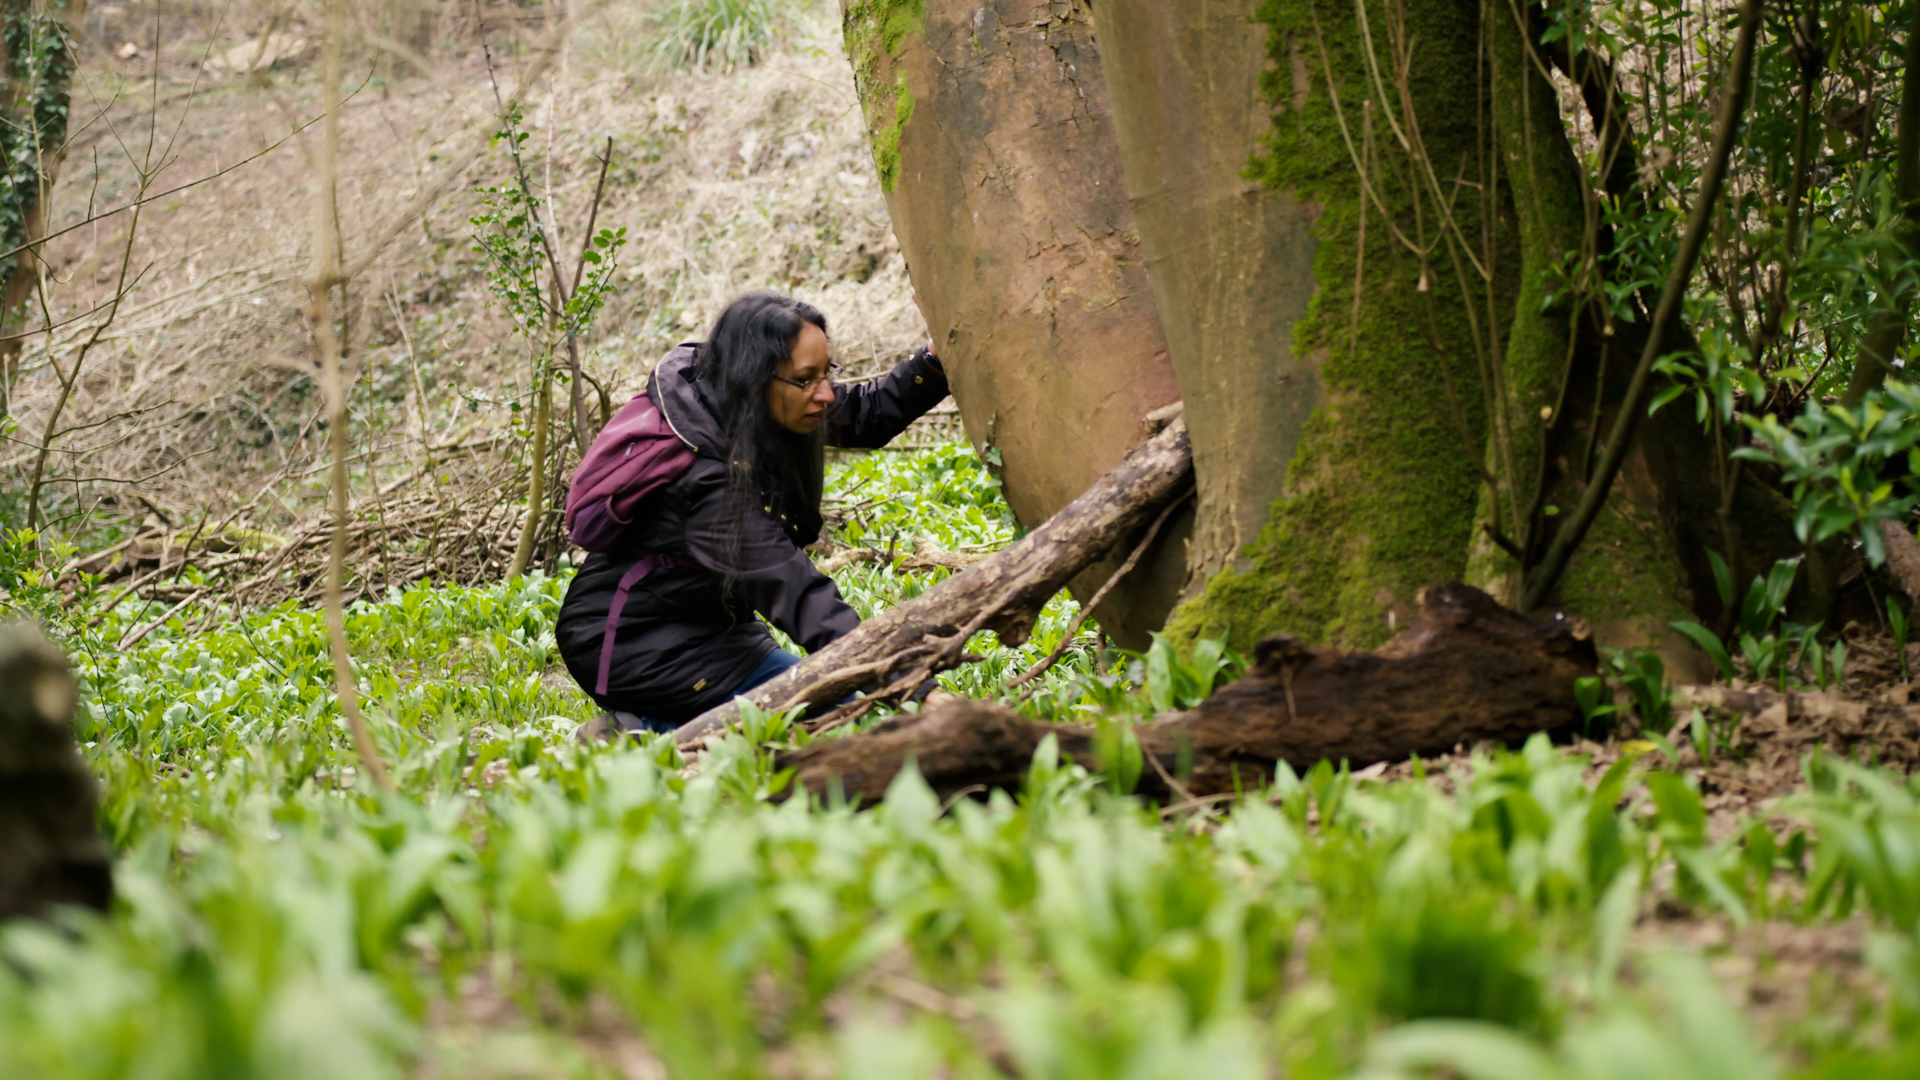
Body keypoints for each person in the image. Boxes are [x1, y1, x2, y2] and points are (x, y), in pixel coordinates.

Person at [556, 291, 949, 735]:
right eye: (807, 379)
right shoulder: (703, 483)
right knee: (826, 724)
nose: (824, 394)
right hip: (636, 645)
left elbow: (867, 413)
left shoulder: (750, 405)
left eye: (826, 374)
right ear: (755, 377)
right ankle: (640, 730)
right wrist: (912, 684)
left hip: (716, 629)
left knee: (843, 702)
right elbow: (797, 592)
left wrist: (935, 359)